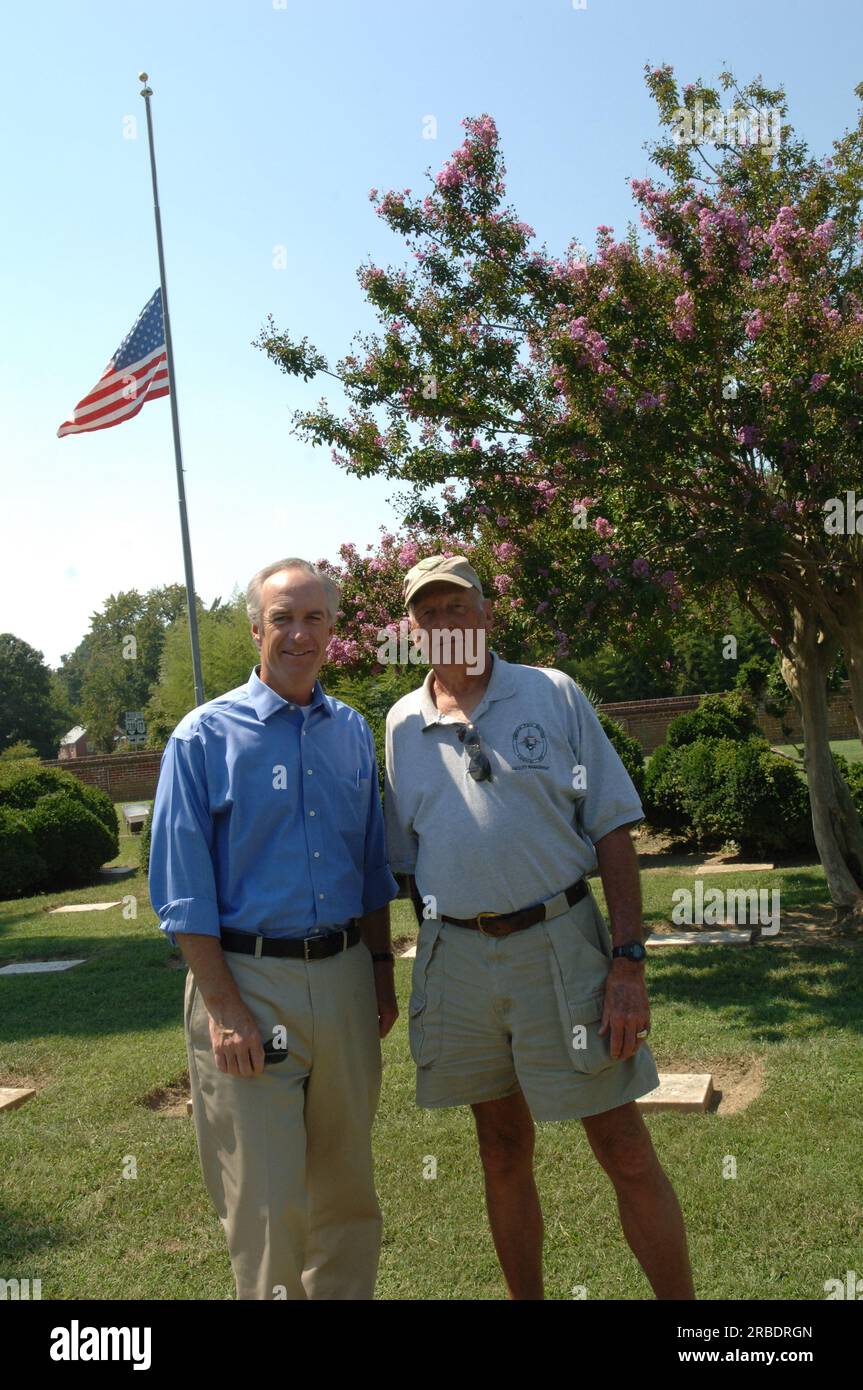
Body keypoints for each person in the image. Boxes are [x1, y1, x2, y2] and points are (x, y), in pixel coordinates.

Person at [384, 554, 695, 1300]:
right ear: (412, 630)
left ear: (485, 614)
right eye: (428, 613)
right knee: (498, 1148)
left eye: (456, 606)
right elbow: (403, 861)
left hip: (561, 944)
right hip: (456, 958)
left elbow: (613, 828)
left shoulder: (550, 694)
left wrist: (627, 963)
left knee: (620, 1145)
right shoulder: (400, 724)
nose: (444, 624)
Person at [149, 557, 399, 1300]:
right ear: (256, 629)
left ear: (332, 630)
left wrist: (380, 974)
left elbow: (372, 867)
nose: (299, 632)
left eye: (314, 617)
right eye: (282, 618)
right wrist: (225, 1011)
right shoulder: (202, 739)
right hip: (247, 985)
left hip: (347, 978)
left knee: (347, 1192)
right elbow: (182, 893)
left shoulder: (351, 731)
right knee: (266, 1202)